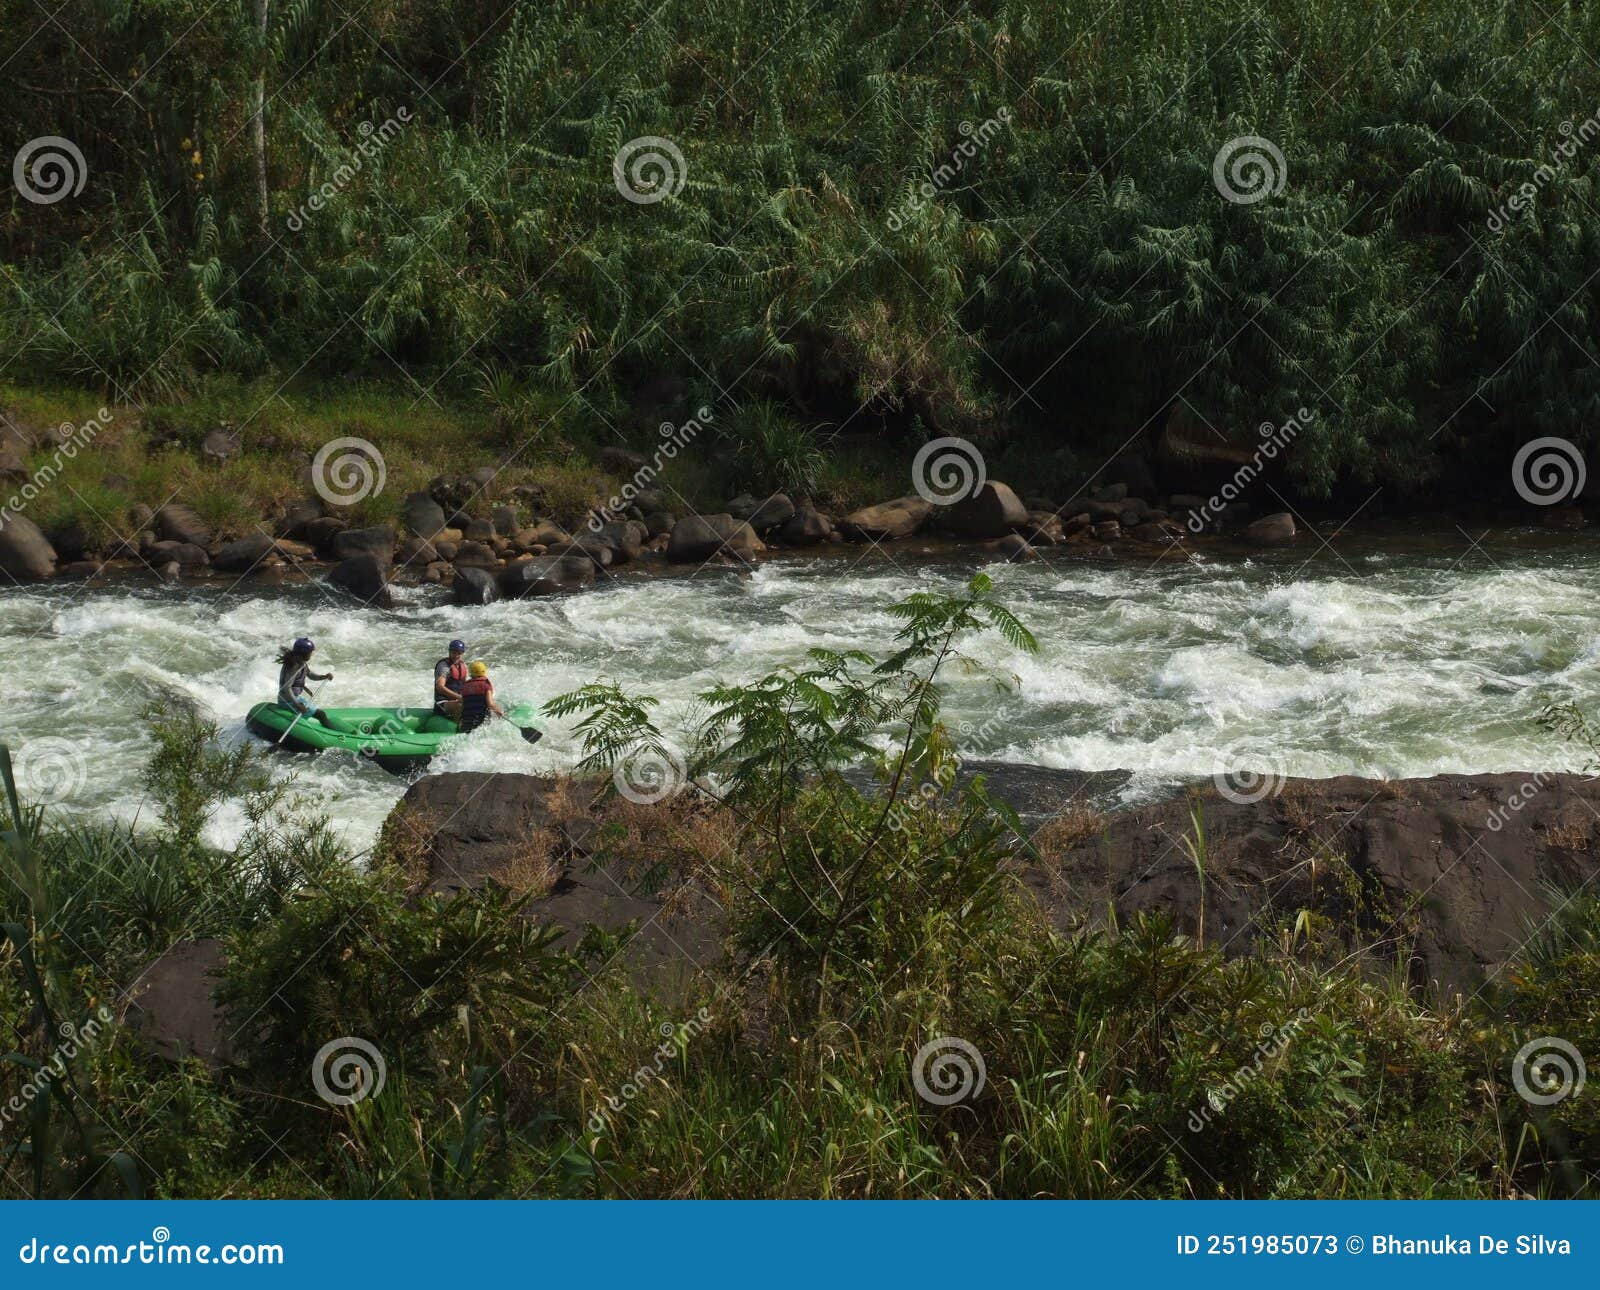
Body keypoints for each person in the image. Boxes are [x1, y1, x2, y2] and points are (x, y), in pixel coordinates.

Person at [275, 637, 352, 731]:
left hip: (291, 699)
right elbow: (287, 687)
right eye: (310, 652)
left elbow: (311, 675)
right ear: (303, 653)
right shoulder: (294, 666)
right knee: (321, 714)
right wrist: (298, 705)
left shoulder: (300, 663)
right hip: (288, 702)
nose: (311, 654)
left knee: (318, 713)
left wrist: (324, 676)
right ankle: (336, 734)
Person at [456, 660, 505, 733]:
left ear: (470, 672)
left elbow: (463, 705)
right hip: (481, 723)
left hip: (466, 723)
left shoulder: (465, 685)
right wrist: (498, 711)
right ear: (484, 671)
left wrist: (458, 721)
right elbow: (490, 704)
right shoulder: (485, 684)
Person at [434, 638, 469, 719]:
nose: (456, 656)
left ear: (462, 653)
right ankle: (459, 729)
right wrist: (459, 697)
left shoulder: (463, 666)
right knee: (461, 705)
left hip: (457, 700)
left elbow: (465, 687)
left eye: (459, 653)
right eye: (454, 652)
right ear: (449, 652)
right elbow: (440, 687)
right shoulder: (444, 666)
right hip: (442, 703)